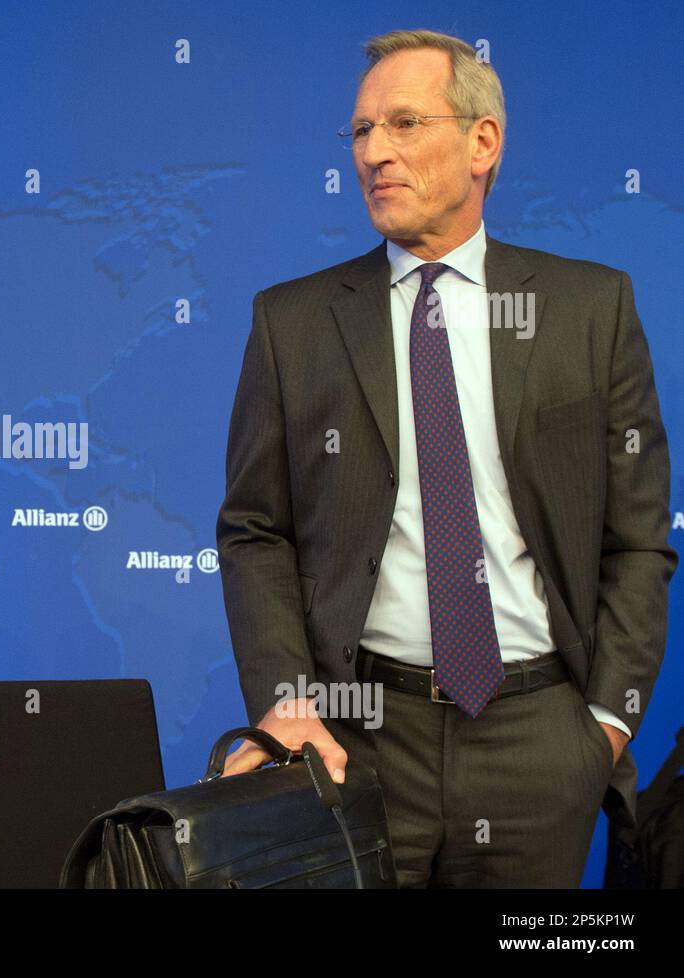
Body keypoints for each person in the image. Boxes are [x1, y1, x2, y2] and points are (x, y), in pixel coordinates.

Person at [215, 28, 676, 887]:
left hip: (539, 741)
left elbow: (639, 539)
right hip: (356, 740)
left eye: (403, 123)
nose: (373, 153)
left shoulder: (590, 309)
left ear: (482, 142)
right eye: (359, 132)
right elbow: (254, 531)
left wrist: (604, 726)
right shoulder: (294, 323)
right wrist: (288, 707)